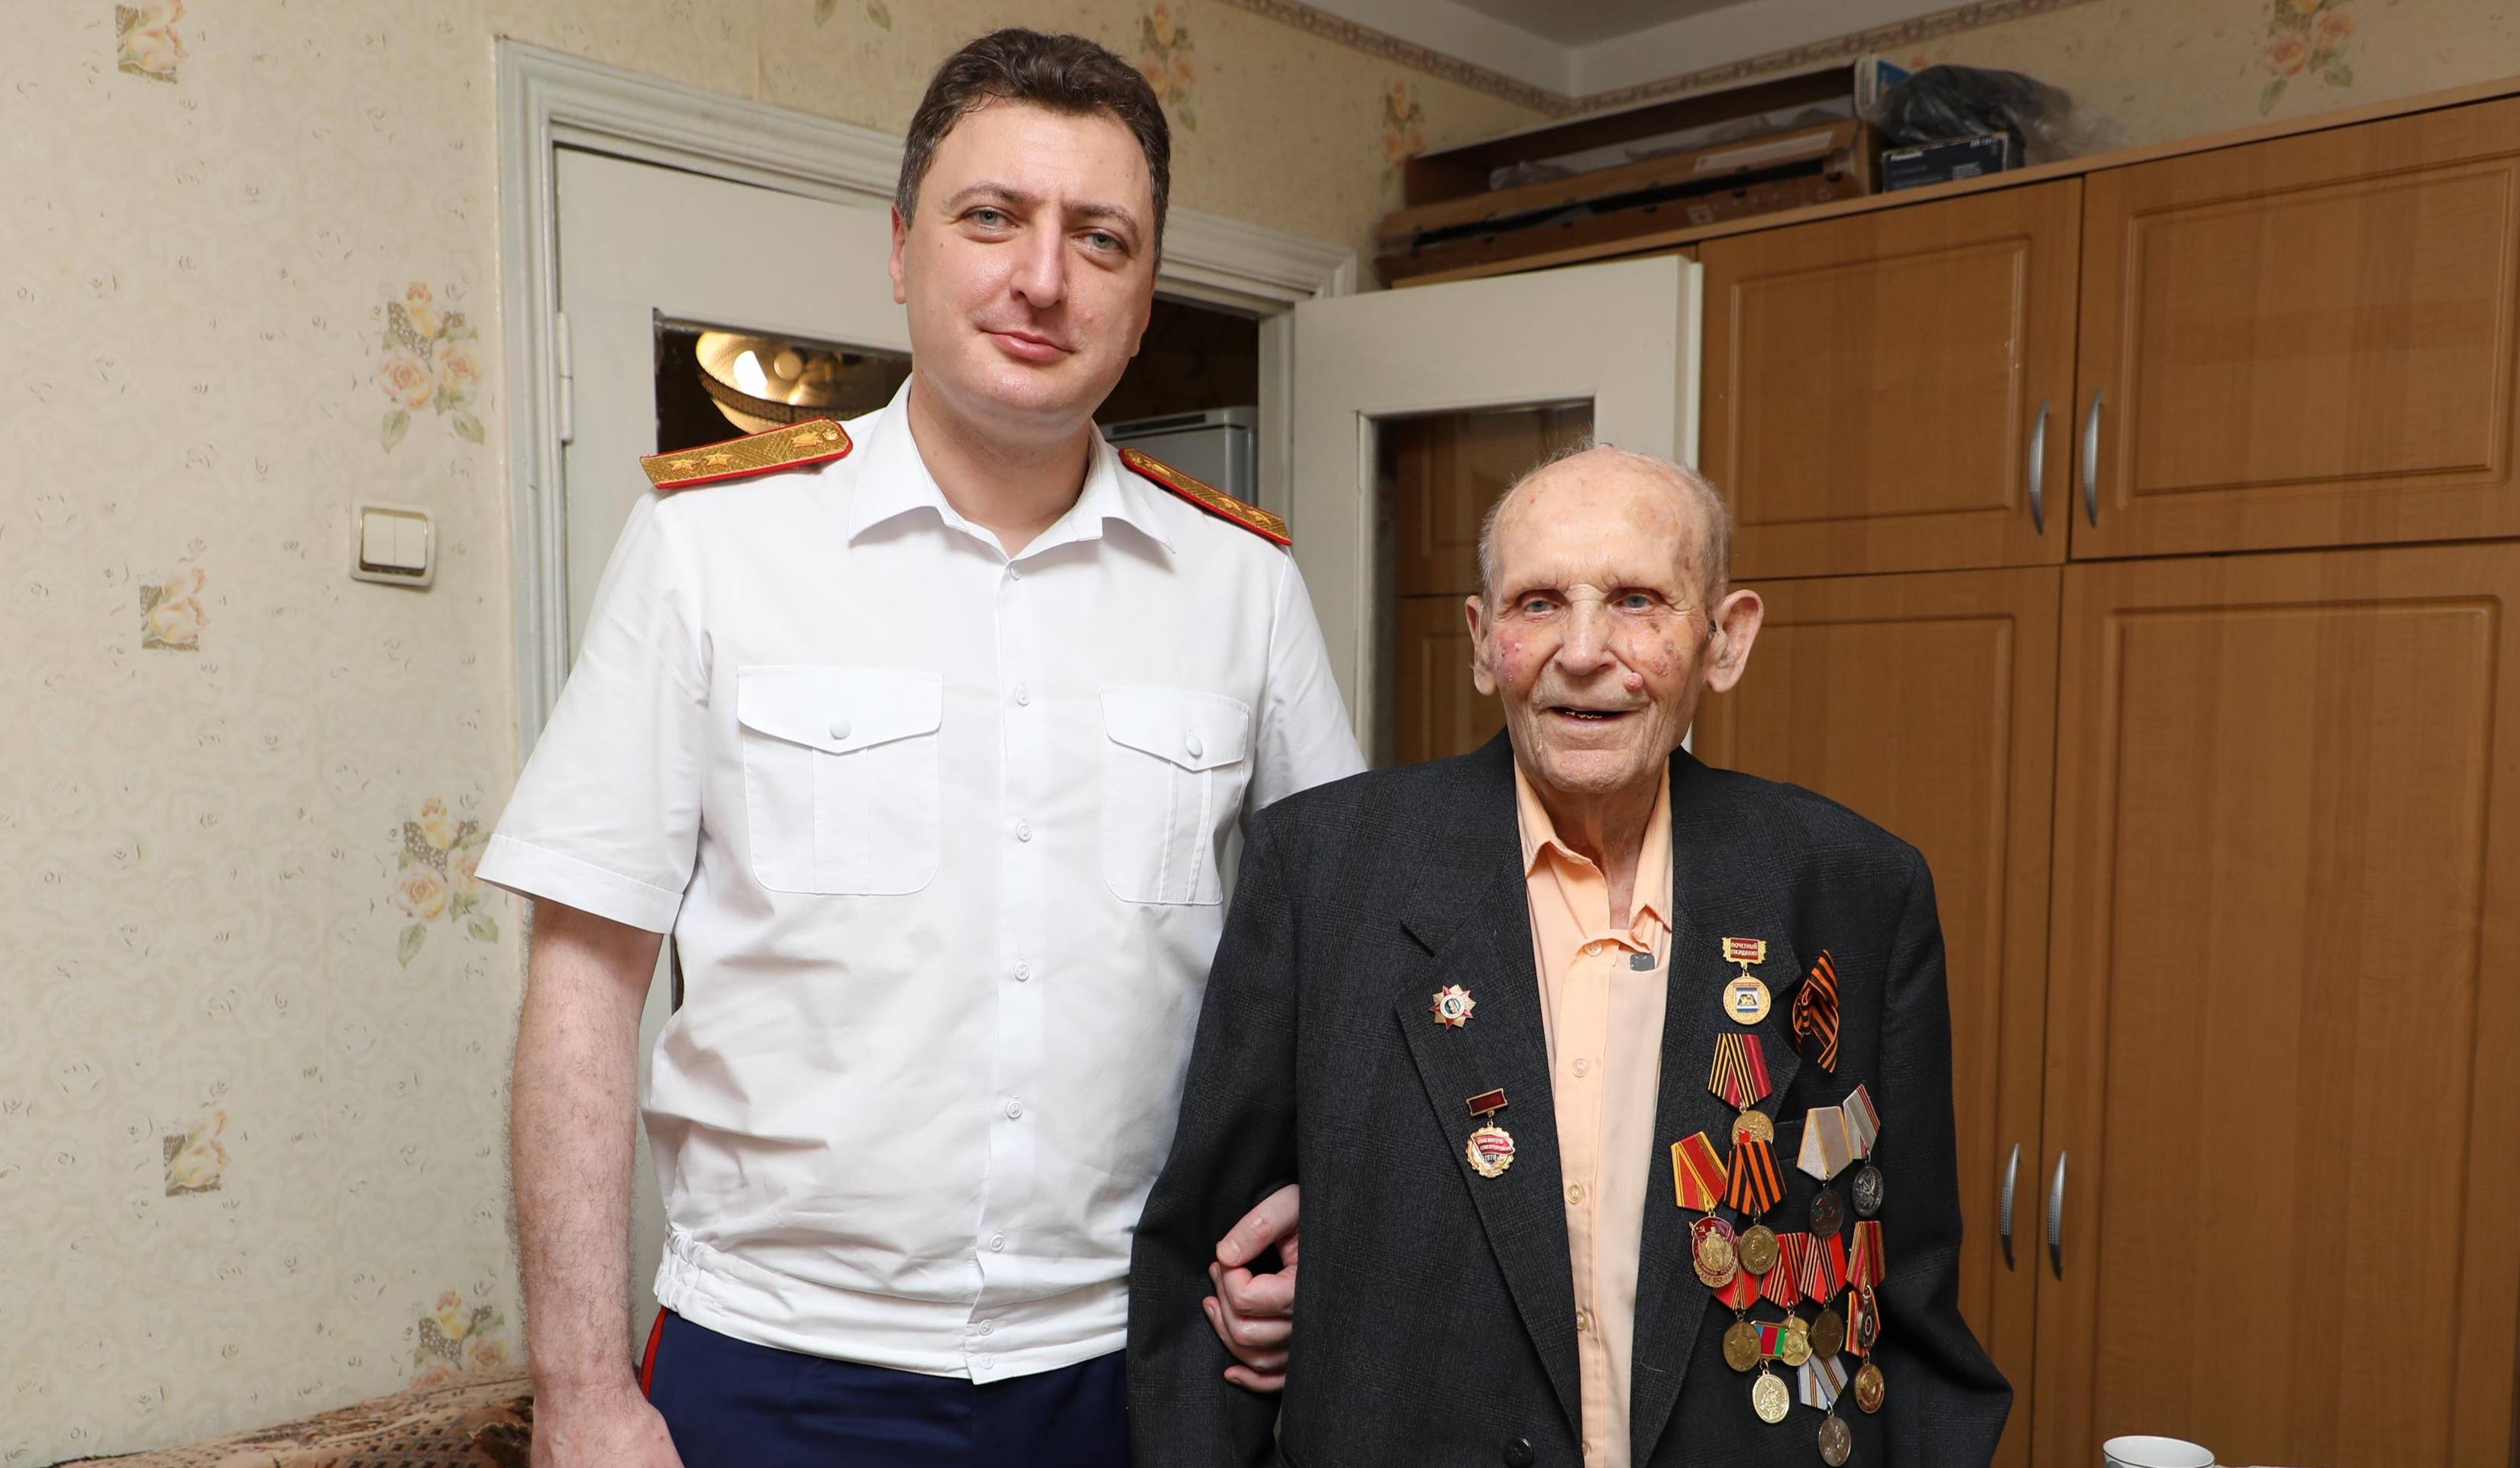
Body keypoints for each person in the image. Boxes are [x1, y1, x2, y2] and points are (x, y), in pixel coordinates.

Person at [481, 29, 1359, 1468]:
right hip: (775, 1364)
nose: (1042, 277)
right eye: (991, 216)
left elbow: (1348, 960)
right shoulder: (711, 546)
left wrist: (1320, 1219)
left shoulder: (1241, 584)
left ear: (1143, 300)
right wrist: (579, 1386)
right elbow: (586, 971)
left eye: (1101, 237)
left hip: (1132, 1365)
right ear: (900, 249)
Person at [1129, 445, 2011, 1467]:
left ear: (1725, 639)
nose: (1583, 651)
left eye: (1637, 601)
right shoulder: (1322, 871)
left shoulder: (1853, 890)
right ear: (1480, 640)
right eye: (1539, 603)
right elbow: (1203, 1277)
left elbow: (1907, 1302)